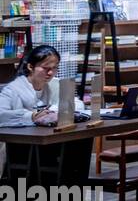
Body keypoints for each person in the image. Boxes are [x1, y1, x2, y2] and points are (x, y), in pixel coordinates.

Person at [0, 45, 86, 177]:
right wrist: (32, 116)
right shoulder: (12, 90)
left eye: (54, 68)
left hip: (49, 143)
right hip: (20, 147)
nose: (50, 73)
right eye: (46, 68)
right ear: (30, 67)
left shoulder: (55, 84)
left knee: (77, 147)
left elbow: (77, 104)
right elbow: (1, 115)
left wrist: (54, 111)